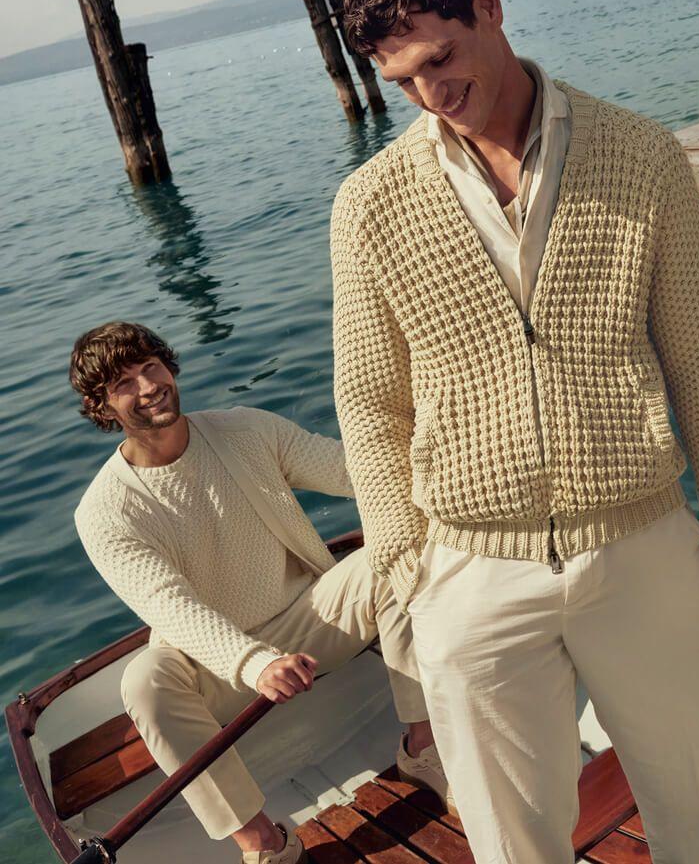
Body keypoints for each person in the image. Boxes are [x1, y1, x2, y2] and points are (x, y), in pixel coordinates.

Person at [330, 0, 699, 864]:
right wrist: (406, 567)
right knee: (513, 849)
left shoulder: (641, 155)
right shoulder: (369, 204)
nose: (431, 94)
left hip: (642, 546)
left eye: (440, 59)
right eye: (402, 80)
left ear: (487, 4)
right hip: (468, 571)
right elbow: (370, 401)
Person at [70, 321, 450, 864]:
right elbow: (169, 606)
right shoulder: (104, 511)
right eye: (124, 383)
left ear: (170, 367)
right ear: (102, 406)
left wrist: (451, 465)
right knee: (145, 682)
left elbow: (359, 473)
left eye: (151, 367)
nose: (148, 386)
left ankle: (423, 746)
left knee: (391, 556)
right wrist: (255, 663)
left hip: (311, 620)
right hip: (216, 669)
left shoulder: (245, 429)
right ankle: (263, 844)